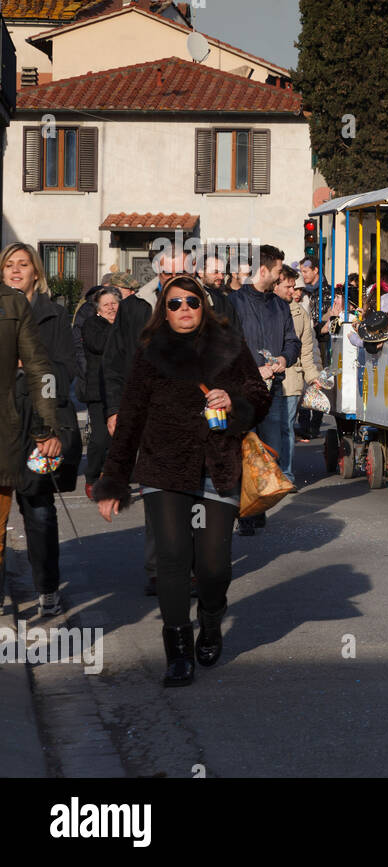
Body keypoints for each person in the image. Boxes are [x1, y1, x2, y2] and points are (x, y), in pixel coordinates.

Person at [94, 276, 270, 687]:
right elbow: (132, 415)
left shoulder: (229, 344)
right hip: (163, 467)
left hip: (217, 466)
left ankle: (210, 619)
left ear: (203, 305)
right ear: (163, 310)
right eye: (175, 304)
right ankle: (178, 653)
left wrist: (233, 401)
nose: (184, 309)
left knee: (212, 566)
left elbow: (259, 396)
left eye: (192, 301)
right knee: (172, 560)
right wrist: (114, 479)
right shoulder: (149, 352)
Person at [2, 243, 82, 616]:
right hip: (4, 424)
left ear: (37, 272)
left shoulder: (53, 316)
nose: (16, 270)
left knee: (37, 511)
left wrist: (33, 365)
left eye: (23, 264)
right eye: (8, 265)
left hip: (38, 426)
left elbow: (66, 371)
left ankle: (47, 587)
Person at [228, 244, 300, 536]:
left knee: (272, 452)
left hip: (275, 390)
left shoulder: (281, 306)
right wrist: (250, 369)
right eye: (279, 270)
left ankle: (259, 502)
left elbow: (291, 342)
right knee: (246, 453)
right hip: (243, 389)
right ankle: (245, 511)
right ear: (264, 270)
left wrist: (285, 358)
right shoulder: (233, 303)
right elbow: (227, 345)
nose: (281, 276)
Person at [275, 265, 323, 473]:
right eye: (290, 287)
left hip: (292, 379)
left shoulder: (300, 313)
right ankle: (267, 473)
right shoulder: (267, 308)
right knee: (269, 428)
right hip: (265, 378)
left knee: (286, 428)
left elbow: (307, 351)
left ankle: (285, 474)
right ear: (276, 285)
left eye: (296, 288)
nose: (294, 292)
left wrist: (313, 377)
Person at [80, 286, 120, 498]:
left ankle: (113, 476)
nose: (111, 308)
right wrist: (118, 328)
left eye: (114, 303)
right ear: (98, 309)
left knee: (121, 437)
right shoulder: (91, 325)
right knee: (100, 438)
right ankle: (92, 476)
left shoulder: (126, 324)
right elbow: (99, 344)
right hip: (98, 389)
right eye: (107, 305)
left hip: (122, 388)